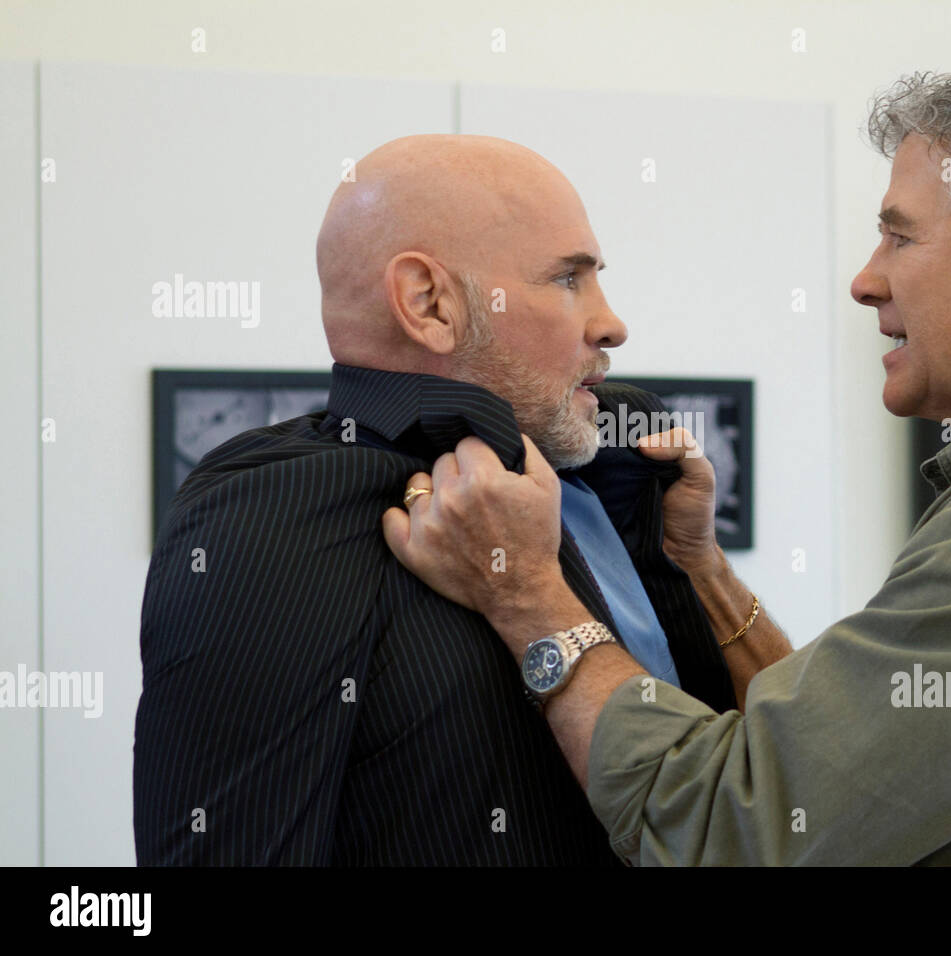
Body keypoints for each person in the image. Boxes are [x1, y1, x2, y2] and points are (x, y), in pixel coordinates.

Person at [383, 53, 951, 865]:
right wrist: (703, 573)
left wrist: (529, 597)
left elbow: (732, 830)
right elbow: (843, 768)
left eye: (899, 235)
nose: (865, 279)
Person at [133, 135, 736, 865]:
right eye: (568, 279)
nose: (612, 322)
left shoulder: (622, 467)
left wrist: (701, 569)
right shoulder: (276, 507)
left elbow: (722, 785)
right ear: (429, 303)